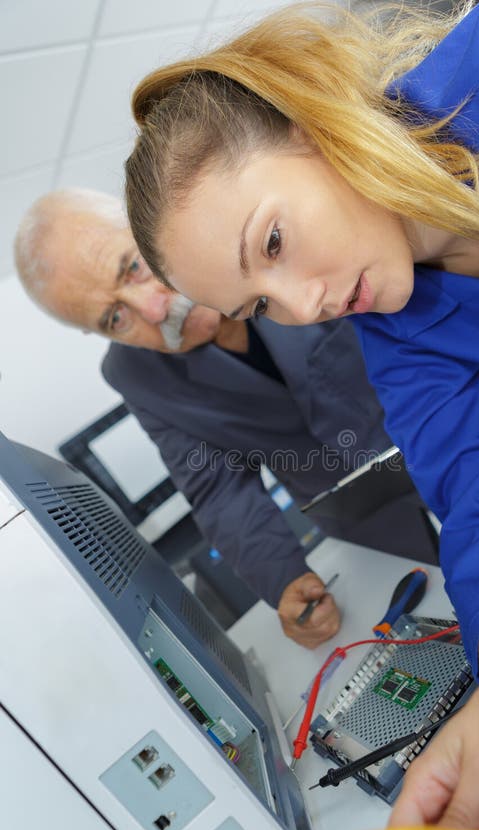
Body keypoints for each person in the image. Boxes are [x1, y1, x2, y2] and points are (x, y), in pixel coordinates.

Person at [121, 0, 479, 830]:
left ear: (316, 120)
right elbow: (477, 479)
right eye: (259, 304)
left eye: (272, 239)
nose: (300, 308)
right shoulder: (399, 316)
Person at [15, 188, 436, 649]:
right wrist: (284, 579)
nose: (153, 310)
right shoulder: (134, 374)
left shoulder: (263, 229)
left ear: (148, 223)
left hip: (450, 443)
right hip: (372, 528)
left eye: (133, 266)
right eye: (115, 318)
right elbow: (218, 489)